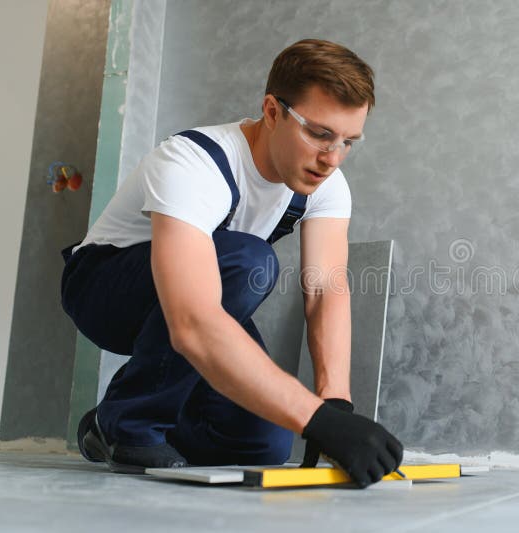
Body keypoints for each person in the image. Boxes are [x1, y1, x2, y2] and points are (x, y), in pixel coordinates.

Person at [60, 39, 403, 488]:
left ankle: (110, 419)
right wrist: (315, 419)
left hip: (201, 296)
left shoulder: (326, 184)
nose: (331, 158)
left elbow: (325, 289)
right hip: (106, 291)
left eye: (347, 142)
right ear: (273, 110)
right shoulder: (193, 161)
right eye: (319, 134)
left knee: (265, 441)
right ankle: (130, 423)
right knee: (246, 260)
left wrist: (334, 403)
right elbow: (192, 321)